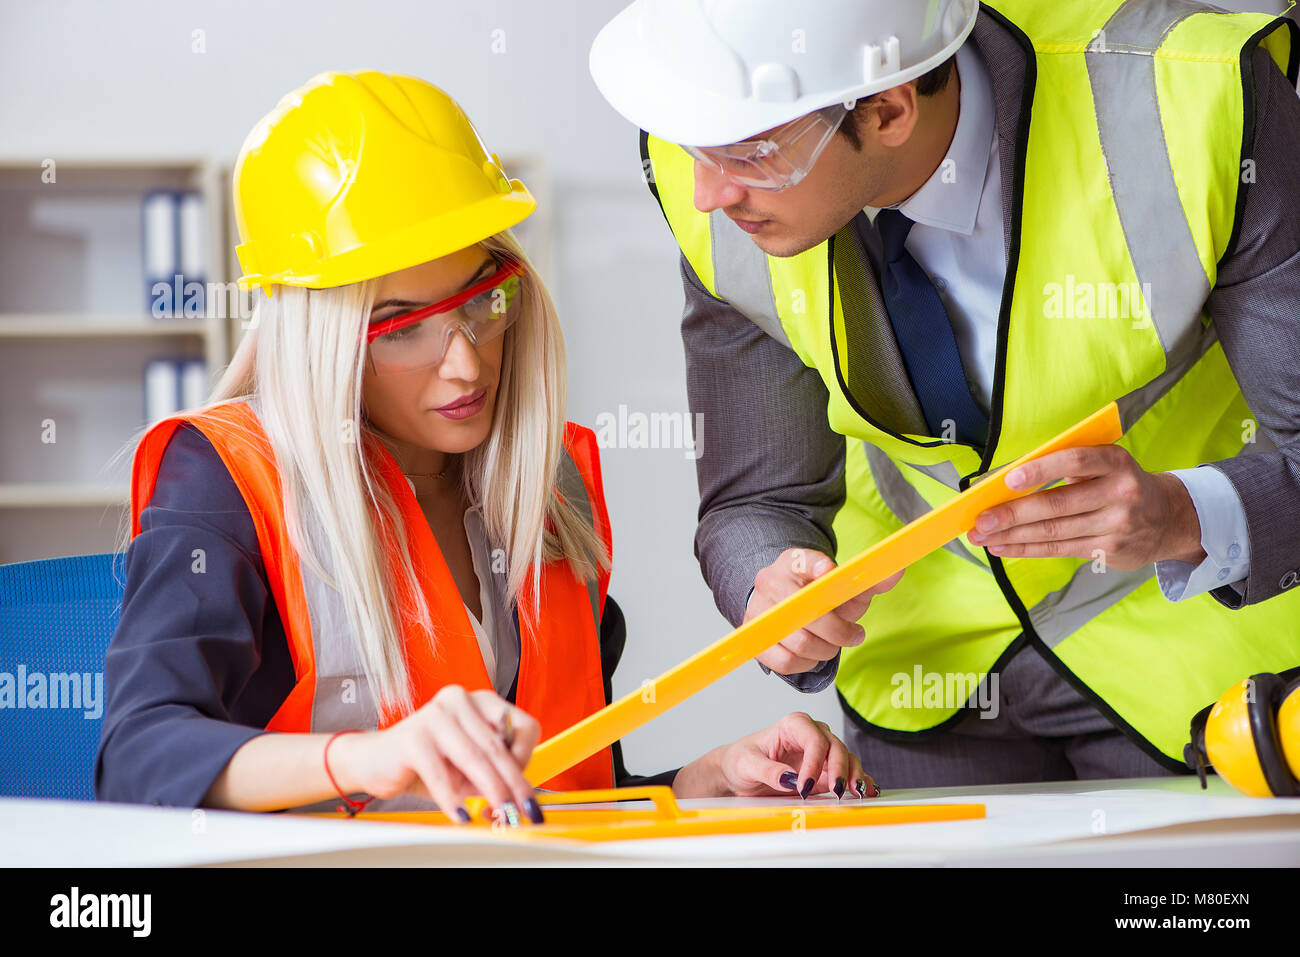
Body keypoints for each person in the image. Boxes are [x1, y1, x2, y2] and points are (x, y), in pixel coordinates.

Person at [94, 71, 879, 823]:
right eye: (402, 326)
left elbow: (554, 794)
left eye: (483, 300)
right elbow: (137, 757)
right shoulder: (224, 475)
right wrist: (369, 758)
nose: (466, 362)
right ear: (319, 340)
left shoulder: (548, 485)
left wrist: (703, 782)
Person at [590, 0, 1300, 786]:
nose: (706, 194)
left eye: (751, 153)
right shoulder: (721, 163)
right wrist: (770, 587)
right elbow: (755, 500)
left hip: (1189, 652)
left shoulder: (1194, 101)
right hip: (921, 669)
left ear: (889, 108)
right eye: (700, 150)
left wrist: (1181, 513)